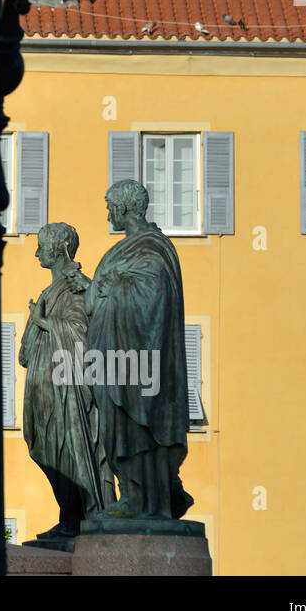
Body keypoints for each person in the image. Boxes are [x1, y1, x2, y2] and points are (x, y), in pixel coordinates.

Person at [85, 180, 193, 519]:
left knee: (133, 425)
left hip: (139, 361)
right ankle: (131, 494)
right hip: (112, 357)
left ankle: (142, 498)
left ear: (122, 208)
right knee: (113, 425)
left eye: (109, 207)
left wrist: (113, 286)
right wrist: (98, 287)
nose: (107, 214)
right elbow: (98, 297)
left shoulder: (152, 246)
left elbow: (153, 290)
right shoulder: (128, 248)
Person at [19, 222, 111, 544]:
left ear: (58, 249)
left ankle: (78, 517)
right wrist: (36, 325)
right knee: (46, 450)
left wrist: (44, 322)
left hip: (67, 390)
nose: (36, 253)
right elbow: (26, 353)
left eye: (41, 247)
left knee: (68, 452)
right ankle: (69, 517)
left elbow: (82, 335)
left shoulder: (75, 286)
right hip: (46, 391)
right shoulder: (49, 290)